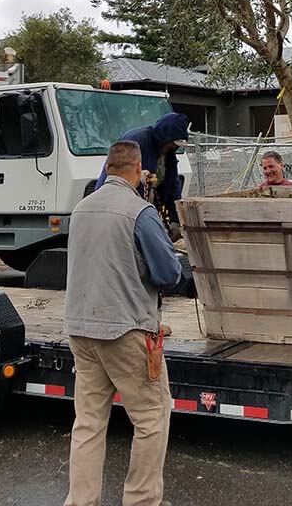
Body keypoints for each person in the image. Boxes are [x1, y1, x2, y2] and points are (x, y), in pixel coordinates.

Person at [64, 139, 182, 506]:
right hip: (126, 331)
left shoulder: (81, 209)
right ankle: (141, 500)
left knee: (87, 424)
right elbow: (168, 273)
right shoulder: (139, 211)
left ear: (108, 167)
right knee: (151, 418)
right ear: (137, 169)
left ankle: (81, 501)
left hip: (81, 330)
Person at [94, 111, 188, 225]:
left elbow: (172, 185)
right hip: (117, 208)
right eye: (173, 142)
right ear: (166, 136)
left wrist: (174, 219)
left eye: (177, 144)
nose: (174, 146)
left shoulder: (169, 155)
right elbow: (122, 178)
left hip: (143, 209)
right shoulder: (136, 140)